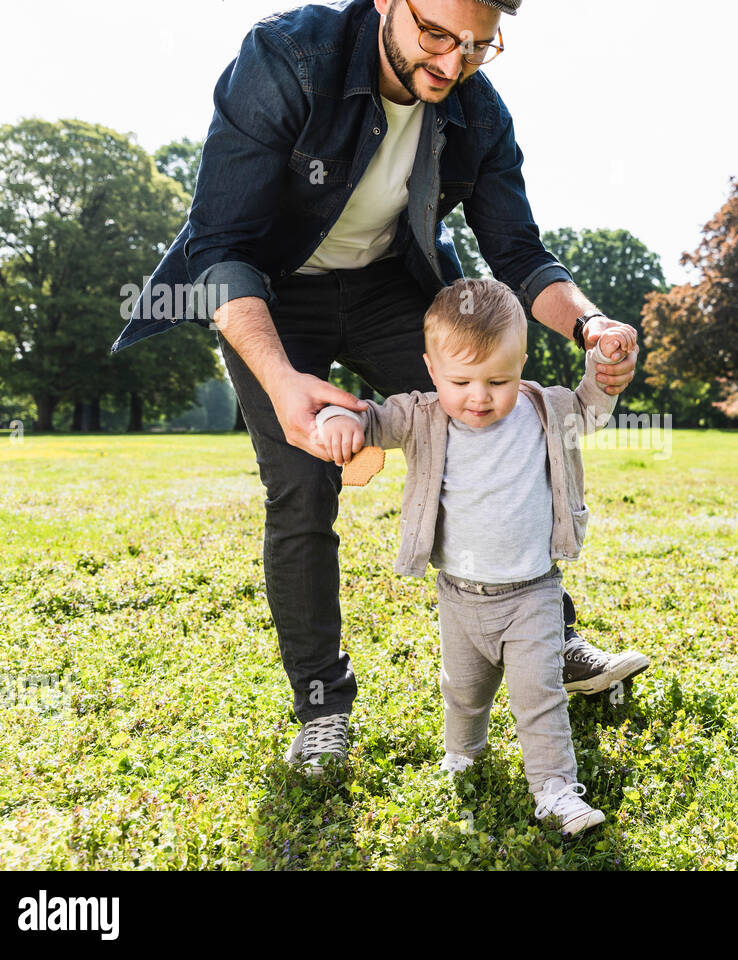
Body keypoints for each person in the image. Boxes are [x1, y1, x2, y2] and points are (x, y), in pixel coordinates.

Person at [108, 0, 649, 773]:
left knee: (495, 425)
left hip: (394, 287)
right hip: (270, 292)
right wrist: (281, 378)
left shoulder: (477, 110)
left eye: (477, 44)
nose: (452, 63)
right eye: (435, 34)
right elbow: (220, 246)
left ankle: (549, 637)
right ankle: (323, 707)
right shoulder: (286, 58)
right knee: (300, 487)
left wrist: (591, 325)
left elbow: (519, 251)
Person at [314, 277, 630, 835]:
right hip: (458, 596)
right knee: (463, 691)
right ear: (431, 370)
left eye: (498, 379)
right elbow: (371, 420)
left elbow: (590, 409)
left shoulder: (542, 410)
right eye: (460, 380)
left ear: (523, 364)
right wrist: (338, 420)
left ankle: (555, 791)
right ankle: (463, 754)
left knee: (541, 697)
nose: (479, 397)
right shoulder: (422, 415)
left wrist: (602, 370)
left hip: (533, 592)